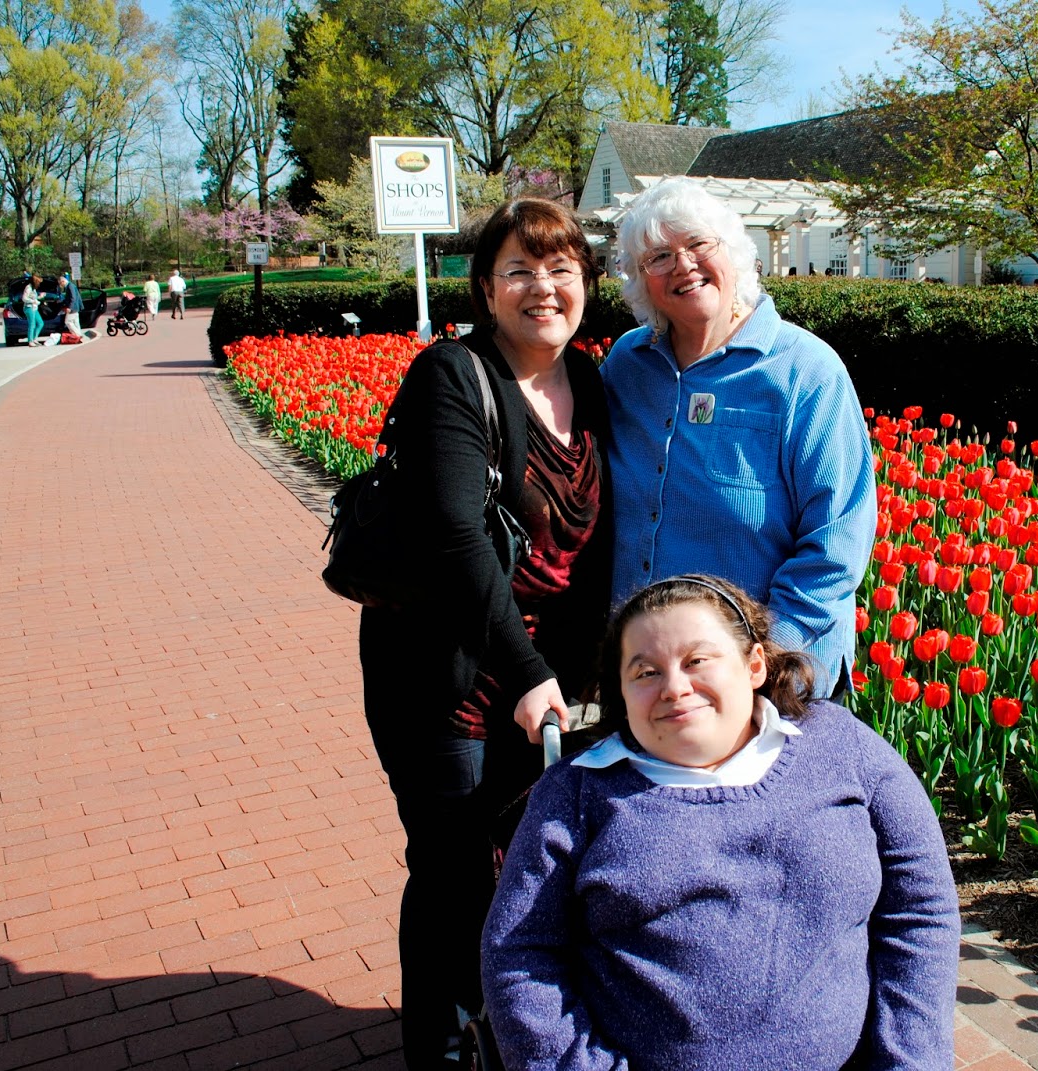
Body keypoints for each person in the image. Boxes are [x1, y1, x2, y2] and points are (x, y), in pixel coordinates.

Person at [481, 575, 960, 1071]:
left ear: (754, 665)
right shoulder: (577, 792)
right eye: (646, 672)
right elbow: (518, 953)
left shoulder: (841, 745)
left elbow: (920, 909)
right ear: (620, 692)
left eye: (696, 661)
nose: (674, 687)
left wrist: (909, 1059)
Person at [356, 198, 611, 1064]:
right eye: (520, 270)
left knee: (528, 865)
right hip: (451, 674)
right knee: (455, 873)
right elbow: (455, 537)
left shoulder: (593, 381)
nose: (544, 287)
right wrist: (529, 668)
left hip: (550, 684)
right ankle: (439, 1045)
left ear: (586, 284)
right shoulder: (452, 375)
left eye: (562, 269)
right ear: (486, 288)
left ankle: (501, 1031)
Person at [602, 176, 877, 697]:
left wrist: (761, 656)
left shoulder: (804, 370)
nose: (683, 265)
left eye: (698, 244)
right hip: (654, 673)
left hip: (773, 675)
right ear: (640, 280)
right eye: (658, 257)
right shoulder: (628, 364)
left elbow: (837, 541)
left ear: (734, 252)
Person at [56, 272, 83, 337]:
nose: (60, 285)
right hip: (75, 307)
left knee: (68, 322)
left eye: (60, 283)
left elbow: (73, 298)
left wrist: (69, 307)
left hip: (72, 308)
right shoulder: (71, 286)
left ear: (63, 281)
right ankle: (79, 335)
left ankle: (77, 334)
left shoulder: (70, 286)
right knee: (75, 322)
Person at [22, 274, 45, 346]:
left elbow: (33, 297)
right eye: (39, 282)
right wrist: (33, 301)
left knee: (40, 323)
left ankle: (34, 338)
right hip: (29, 308)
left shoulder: (33, 288)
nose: (39, 284)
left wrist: (40, 297)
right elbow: (24, 298)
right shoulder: (28, 288)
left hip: (34, 308)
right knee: (32, 324)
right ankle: (30, 341)